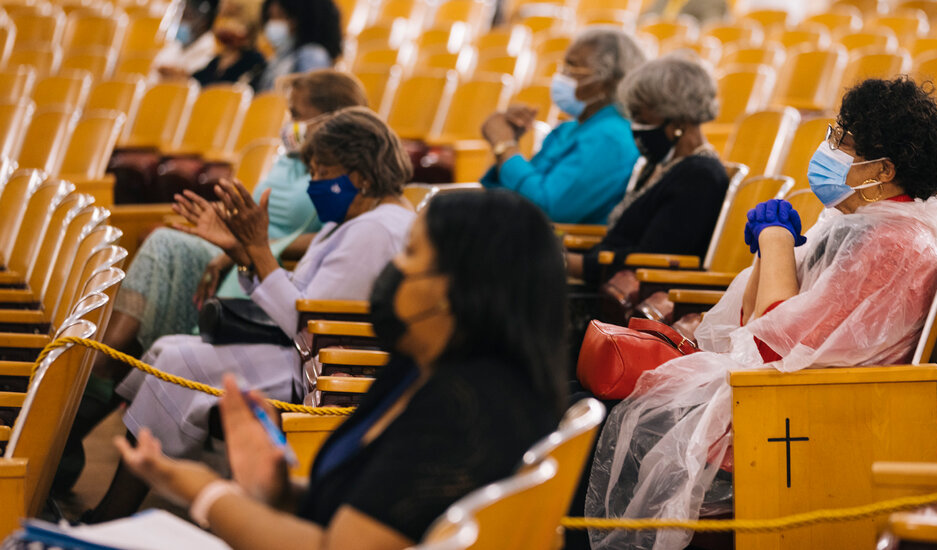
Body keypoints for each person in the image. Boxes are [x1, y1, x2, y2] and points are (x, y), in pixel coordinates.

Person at [586, 77, 937, 550]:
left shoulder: (893, 243)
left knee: (603, 427)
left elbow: (770, 346)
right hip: (789, 396)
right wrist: (770, 253)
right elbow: (756, 330)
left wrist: (775, 241)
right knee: (608, 414)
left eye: (842, 142)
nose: (828, 149)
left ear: (882, 169)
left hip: (808, 416)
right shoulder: (861, 223)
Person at [113, 189, 568, 548]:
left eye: (410, 254)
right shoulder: (416, 367)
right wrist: (278, 489)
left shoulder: (470, 407)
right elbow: (371, 506)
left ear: (458, 289)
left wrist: (206, 493)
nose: (392, 268)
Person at [83, 106, 417, 520]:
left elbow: (305, 320)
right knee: (168, 349)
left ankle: (116, 512)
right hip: (302, 354)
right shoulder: (353, 220)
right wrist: (242, 253)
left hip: (324, 372)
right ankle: (138, 500)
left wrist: (258, 249)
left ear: (361, 174)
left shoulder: (377, 229)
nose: (314, 183)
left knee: (176, 361)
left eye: (322, 171)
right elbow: (302, 301)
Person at [53, 70, 370, 495]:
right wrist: (229, 238)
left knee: (164, 272)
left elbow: (323, 235)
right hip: (245, 263)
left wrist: (253, 246)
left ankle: (68, 425)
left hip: (270, 273)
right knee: (166, 243)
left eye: (298, 114)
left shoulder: (339, 175)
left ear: (332, 117)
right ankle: (66, 428)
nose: (289, 123)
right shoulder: (288, 157)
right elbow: (253, 212)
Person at [565, 55, 728, 286]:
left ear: (679, 119)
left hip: (625, 297)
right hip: (601, 282)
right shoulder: (658, 166)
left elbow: (651, 259)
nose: (635, 127)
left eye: (642, 117)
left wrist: (564, 263)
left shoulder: (699, 176)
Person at [480, 27, 645, 224]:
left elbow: (548, 209)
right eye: (564, 67)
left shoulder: (611, 137)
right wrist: (510, 142)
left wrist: (505, 146)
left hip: (558, 248)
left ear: (608, 81)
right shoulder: (569, 128)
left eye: (572, 68)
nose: (562, 76)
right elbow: (505, 194)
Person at [254, 0, 343, 92]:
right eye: (270, 17)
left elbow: (308, 100)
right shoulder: (279, 58)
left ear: (299, 19)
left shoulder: (312, 55)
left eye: (280, 16)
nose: (271, 23)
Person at [189, 0, 267, 88]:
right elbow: (195, 79)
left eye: (234, 20)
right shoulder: (215, 62)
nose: (224, 26)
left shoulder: (254, 63)